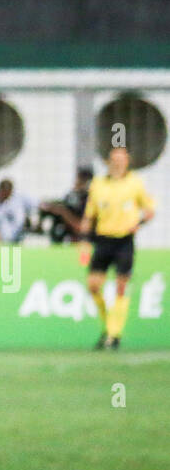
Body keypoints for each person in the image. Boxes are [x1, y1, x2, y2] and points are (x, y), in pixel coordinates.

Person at [81, 147, 156, 350]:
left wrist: (138, 224)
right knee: (94, 286)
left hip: (124, 240)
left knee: (121, 285)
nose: (118, 163)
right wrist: (84, 240)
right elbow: (89, 215)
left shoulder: (135, 183)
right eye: (114, 159)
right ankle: (108, 327)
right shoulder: (98, 184)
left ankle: (115, 333)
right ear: (108, 162)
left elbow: (150, 210)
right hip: (103, 239)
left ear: (127, 161)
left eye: (121, 159)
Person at [39, 167, 93, 244]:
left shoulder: (90, 201)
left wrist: (63, 212)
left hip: (82, 244)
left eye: (80, 181)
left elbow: (81, 228)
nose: (76, 183)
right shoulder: (71, 195)